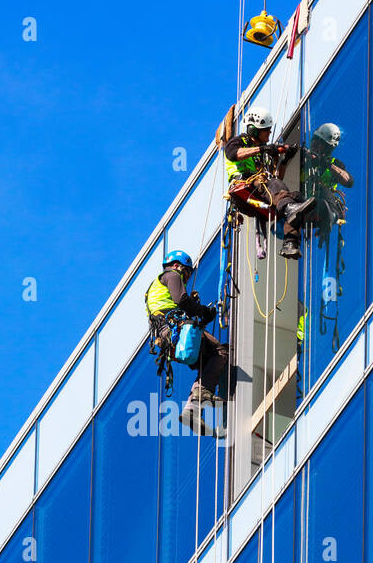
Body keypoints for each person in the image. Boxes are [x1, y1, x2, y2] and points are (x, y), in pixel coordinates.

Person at [224, 106, 316, 259]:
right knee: (278, 191)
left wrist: (286, 160)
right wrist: (264, 148)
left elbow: (277, 178)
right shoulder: (239, 141)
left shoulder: (262, 154)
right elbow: (234, 154)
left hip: (259, 189)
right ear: (254, 130)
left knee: (296, 197)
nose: (269, 133)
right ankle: (289, 207)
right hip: (243, 185)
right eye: (266, 130)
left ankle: (290, 243)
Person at [145, 249, 229, 410]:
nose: (187, 277)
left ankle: (193, 409)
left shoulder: (155, 287)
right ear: (177, 265)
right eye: (187, 272)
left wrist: (197, 311)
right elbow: (182, 300)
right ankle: (202, 394)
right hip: (173, 328)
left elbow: (178, 304)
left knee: (207, 362)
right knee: (220, 350)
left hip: (165, 336)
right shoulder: (173, 275)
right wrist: (204, 311)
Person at [307, 122, 354, 234]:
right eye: (314, 140)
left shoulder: (334, 164)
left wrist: (326, 164)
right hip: (304, 204)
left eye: (320, 143)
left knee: (323, 190)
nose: (314, 145)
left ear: (328, 148)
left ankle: (330, 216)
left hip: (324, 206)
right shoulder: (302, 160)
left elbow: (348, 181)